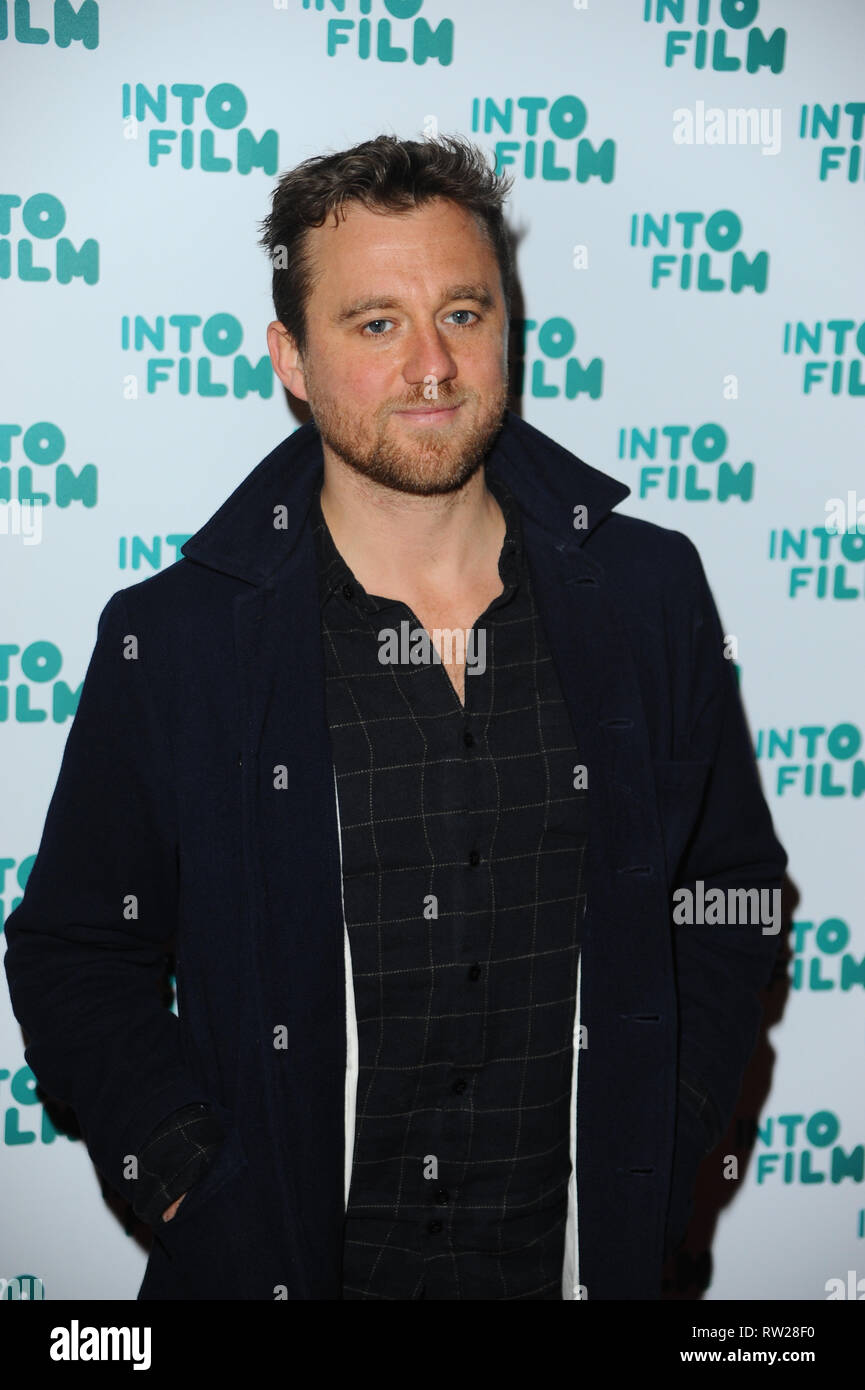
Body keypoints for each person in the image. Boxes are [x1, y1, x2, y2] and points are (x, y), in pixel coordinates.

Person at [3, 133, 787, 1301]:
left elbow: (728, 900)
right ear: (293, 360)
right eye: (375, 324)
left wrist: (663, 1140)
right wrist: (196, 1189)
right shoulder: (178, 640)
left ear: (507, 328)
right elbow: (75, 952)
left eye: (462, 313)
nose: (431, 363)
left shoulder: (644, 594)